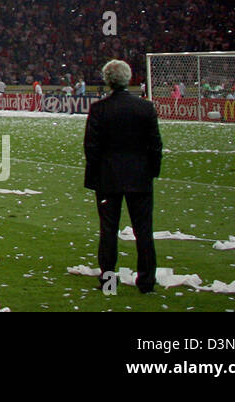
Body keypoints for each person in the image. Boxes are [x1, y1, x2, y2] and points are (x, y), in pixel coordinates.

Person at [84, 58, 162, 294]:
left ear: (107, 81)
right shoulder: (145, 107)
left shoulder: (99, 109)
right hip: (139, 178)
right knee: (144, 230)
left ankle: (108, 281)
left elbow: (92, 147)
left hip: (108, 179)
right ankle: (147, 282)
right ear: (129, 79)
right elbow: (155, 145)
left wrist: (95, 176)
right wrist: (151, 172)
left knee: (108, 231)